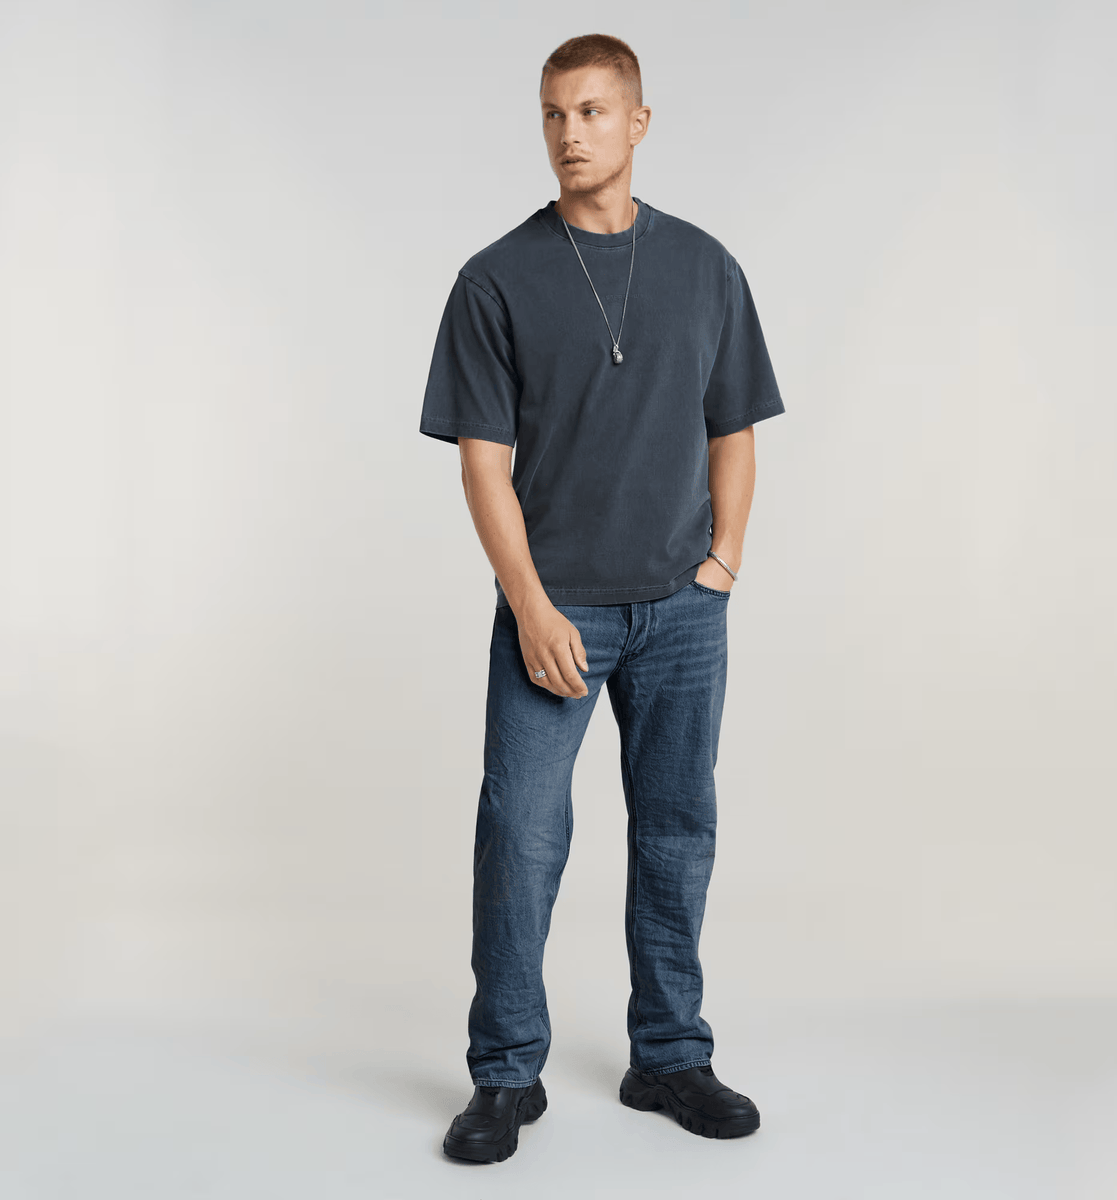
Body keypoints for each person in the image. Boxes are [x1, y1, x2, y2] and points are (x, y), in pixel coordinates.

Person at [418, 32, 785, 1164]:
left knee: (677, 835)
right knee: (520, 838)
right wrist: (530, 607)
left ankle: (668, 1054)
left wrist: (722, 565)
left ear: (637, 122)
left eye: (589, 111)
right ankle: (503, 1075)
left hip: (681, 610)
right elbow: (483, 465)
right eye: (552, 114)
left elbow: (734, 429)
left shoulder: (707, 267)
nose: (568, 134)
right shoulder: (495, 279)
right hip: (556, 608)